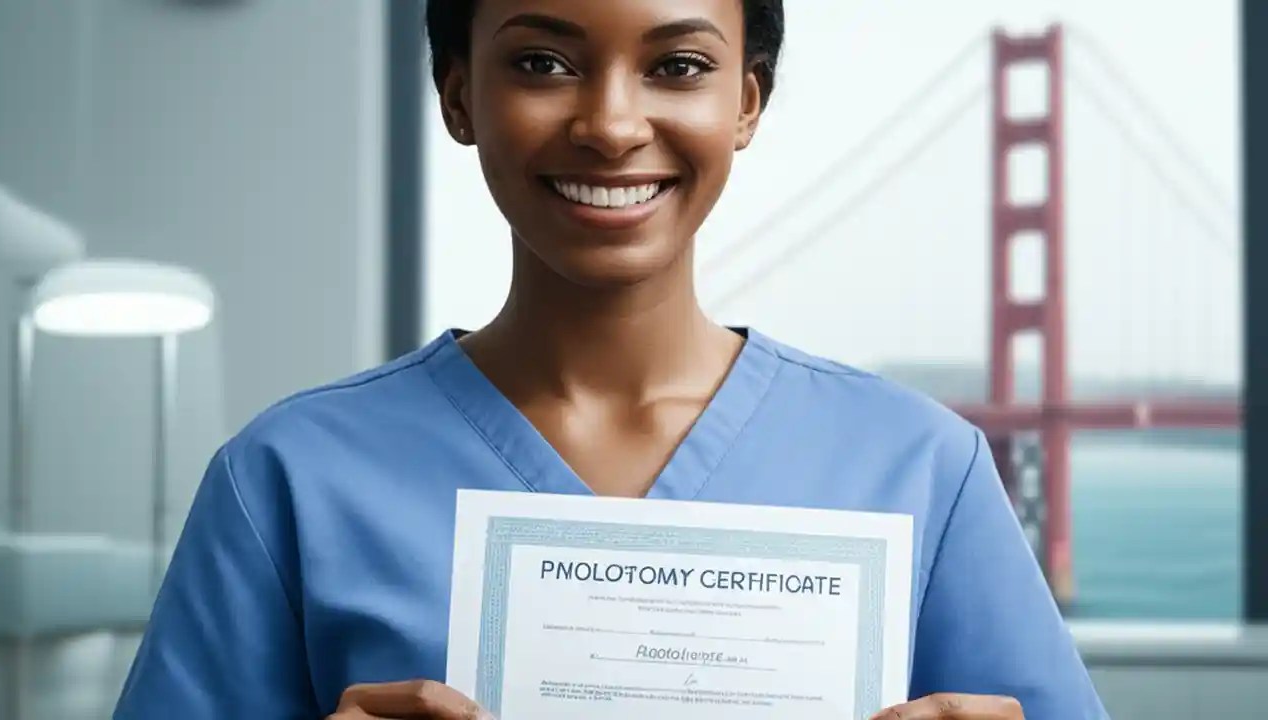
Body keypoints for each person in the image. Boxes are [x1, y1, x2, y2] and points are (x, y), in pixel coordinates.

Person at [113, 1, 1108, 718]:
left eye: (676, 66)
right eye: (542, 62)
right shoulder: (285, 477)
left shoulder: (922, 469)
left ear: (745, 104)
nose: (611, 126)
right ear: (459, 96)